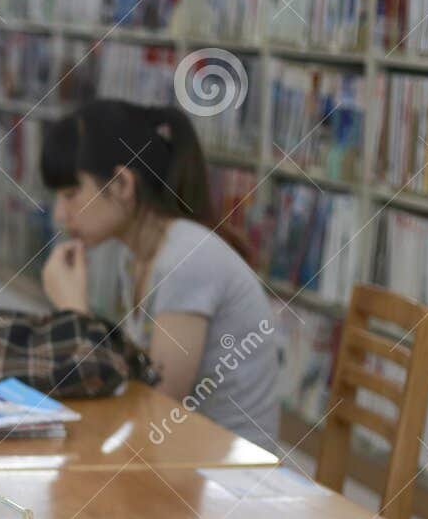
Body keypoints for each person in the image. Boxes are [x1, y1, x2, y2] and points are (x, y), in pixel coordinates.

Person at [38, 99, 280, 446]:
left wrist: (74, 314)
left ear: (122, 185)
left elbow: (157, 407)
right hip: (185, 460)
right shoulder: (134, 257)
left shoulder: (185, 259)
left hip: (228, 479)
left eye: (71, 194)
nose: (60, 214)